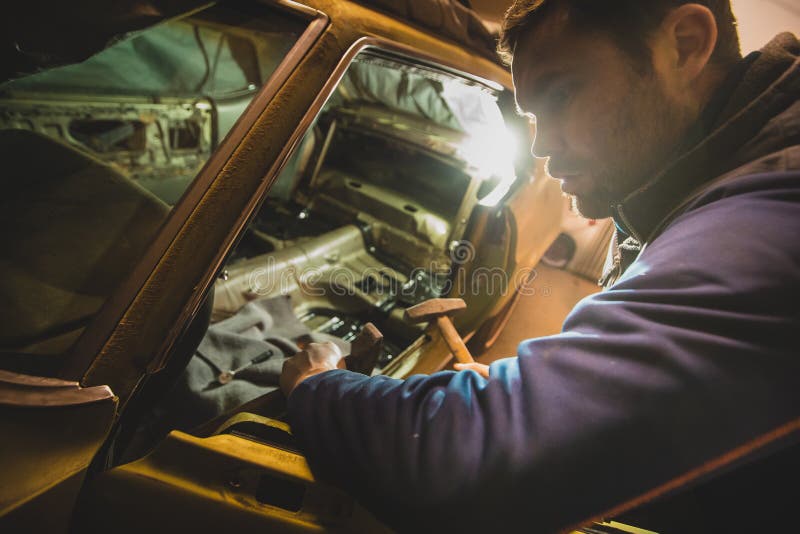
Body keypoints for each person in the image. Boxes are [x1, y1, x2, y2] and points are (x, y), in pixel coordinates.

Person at [279, 1, 800, 531]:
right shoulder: (721, 182)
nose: (543, 146)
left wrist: (318, 387)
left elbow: (464, 469)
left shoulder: (772, 217)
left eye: (562, 93)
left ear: (686, 44)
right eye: (532, 116)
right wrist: (549, 415)